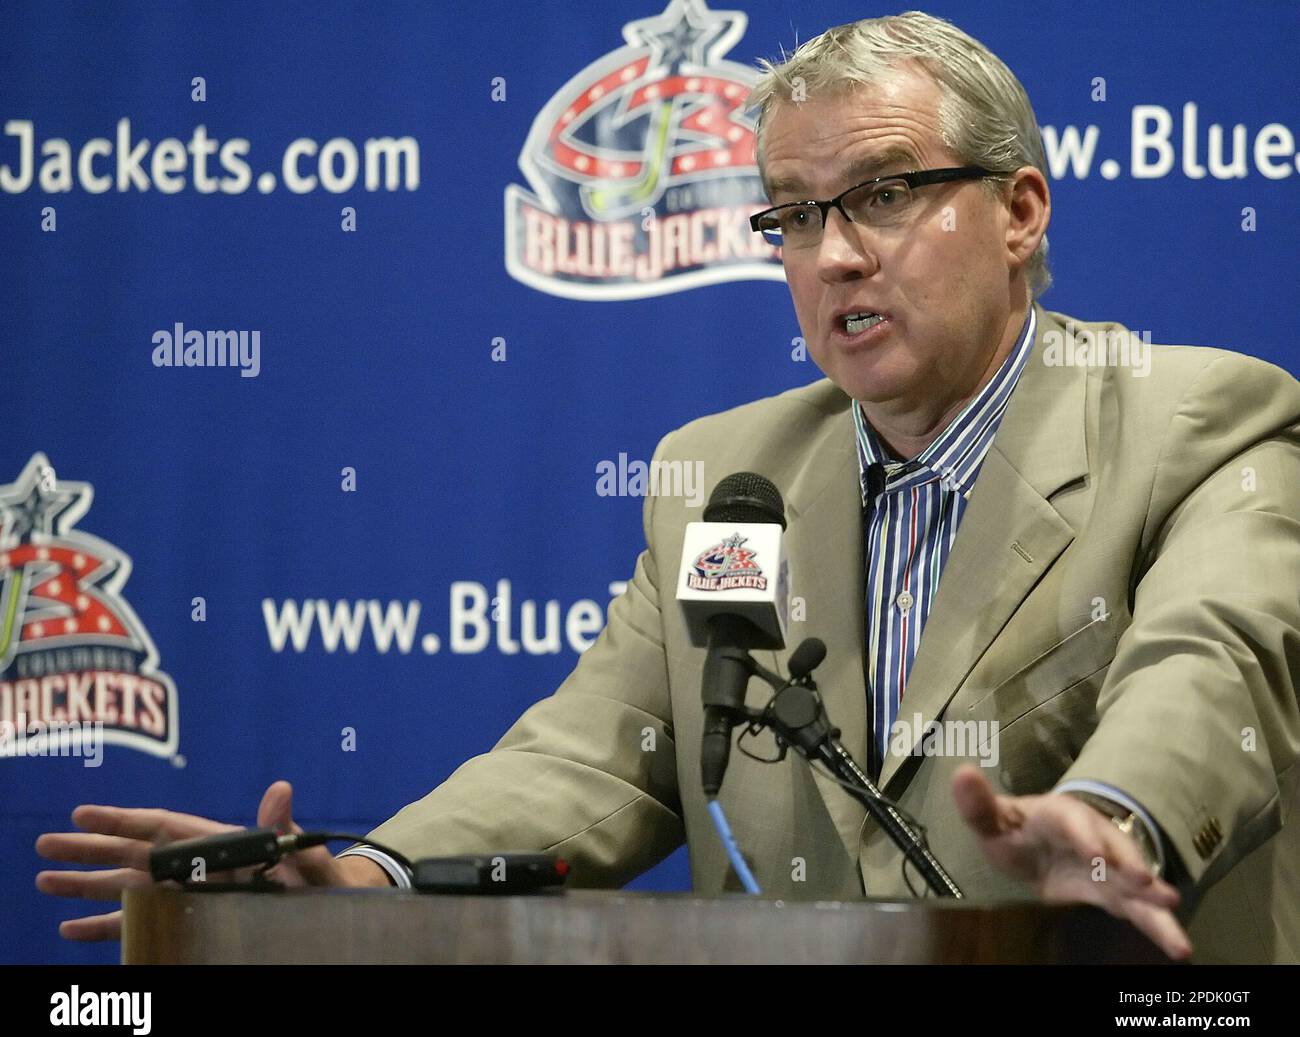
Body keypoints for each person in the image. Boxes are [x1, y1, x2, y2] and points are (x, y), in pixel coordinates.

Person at [36, 11, 1300, 963]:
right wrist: (371, 872)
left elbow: (1214, 660)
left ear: (1019, 207)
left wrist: (1110, 812)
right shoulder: (728, 482)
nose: (836, 254)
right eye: (794, 218)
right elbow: (606, 755)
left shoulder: (1197, 420)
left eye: (887, 194)